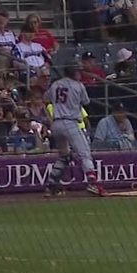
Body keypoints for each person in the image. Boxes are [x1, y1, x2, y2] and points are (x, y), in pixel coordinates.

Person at [43, 65, 105, 197]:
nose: (79, 74)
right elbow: (85, 101)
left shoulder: (55, 84)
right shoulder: (78, 85)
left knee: (63, 156)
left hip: (56, 123)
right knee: (85, 154)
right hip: (70, 122)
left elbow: (46, 97)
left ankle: (51, 186)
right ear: (73, 73)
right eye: (78, 71)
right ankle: (93, 184)